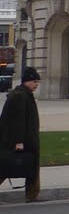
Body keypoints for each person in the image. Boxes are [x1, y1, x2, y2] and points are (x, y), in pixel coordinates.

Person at [1, 66, 41, 202]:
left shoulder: (25, 94)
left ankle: (32, 195)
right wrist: (18, 141)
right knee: (6, 167)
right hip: (18, 140)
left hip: (27, 139)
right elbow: (17, 121)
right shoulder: (19, 96)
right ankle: (32, 195)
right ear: (27, 81)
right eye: (34, 81)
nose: (36, 84)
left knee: (31, 167)